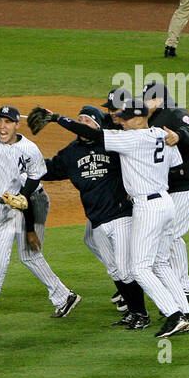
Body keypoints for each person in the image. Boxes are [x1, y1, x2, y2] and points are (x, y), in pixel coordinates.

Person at [45, 101, 189, 338]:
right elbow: (176, 165)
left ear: (138, 119)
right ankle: (186, 314)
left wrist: (58, 118)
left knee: (140, 268)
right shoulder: (161, 134)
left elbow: (91, 133)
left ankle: (174, 315)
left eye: (125, 118)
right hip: (166, 201)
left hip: (147, 206)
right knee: (161, 262)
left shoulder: (132, 139)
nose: (121, 122)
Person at [0, 65, 79, 333]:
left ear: (16, 124)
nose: (2, 126)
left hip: (7, 212)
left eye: (8, 122)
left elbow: (37, 175)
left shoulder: (29, 149)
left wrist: (23, 197)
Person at [40, 105, 143, 327]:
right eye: (80, 119)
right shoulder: (71, 152)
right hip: (96, 221)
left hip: (121, 216)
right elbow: (49, 170)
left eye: (87, 120)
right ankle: (132, 312)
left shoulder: (111, 144)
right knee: (114, 269)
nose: (82, 124)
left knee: (125, 269)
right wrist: (22, 161)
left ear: (97, 125)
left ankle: (141, 314)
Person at [142, 80, 189, 306]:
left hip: (186, 184)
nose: (145, 104)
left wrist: (179, 136)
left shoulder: (176, 113)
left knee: (172, 235)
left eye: (149, 99)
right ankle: (179, 285)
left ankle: (186, 288)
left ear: (159, 99)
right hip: (166, 188)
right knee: (165, 235)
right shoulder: (147, 119)